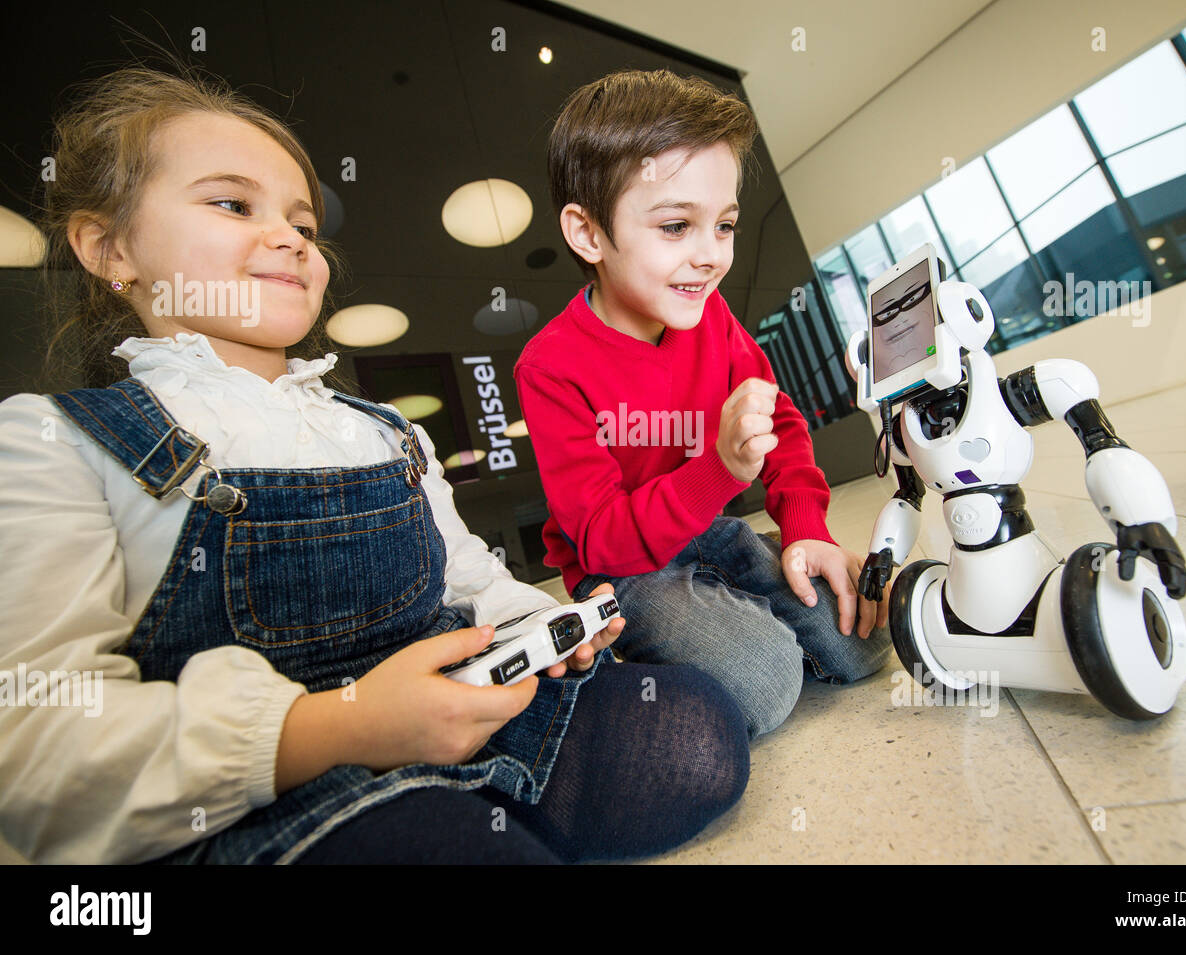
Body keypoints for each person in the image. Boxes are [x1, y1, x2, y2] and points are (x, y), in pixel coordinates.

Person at [0, 63, 749, 865]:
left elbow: (466, 575)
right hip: (269, 793)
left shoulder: (385, 430)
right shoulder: (54, 438)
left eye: (303, 222)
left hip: (461, 714)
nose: (290, 237)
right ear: (108, 247)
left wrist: (538, 627)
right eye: (232, 204)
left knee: (700, 730)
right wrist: (342, 725)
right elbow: (39, 743)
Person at [514, 70, 894, 741]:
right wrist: (719, 468)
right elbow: (601, 535)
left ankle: (750, 577)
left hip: (705, 533)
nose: (711, 256)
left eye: (724, 225)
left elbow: (780, 420)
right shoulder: (550, 368)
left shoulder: (711, 316)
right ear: (588, 233)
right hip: (623, 569)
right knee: (764, 679)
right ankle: (621, 655)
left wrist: (807, 528)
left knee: (860, 643)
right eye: (676, 226)